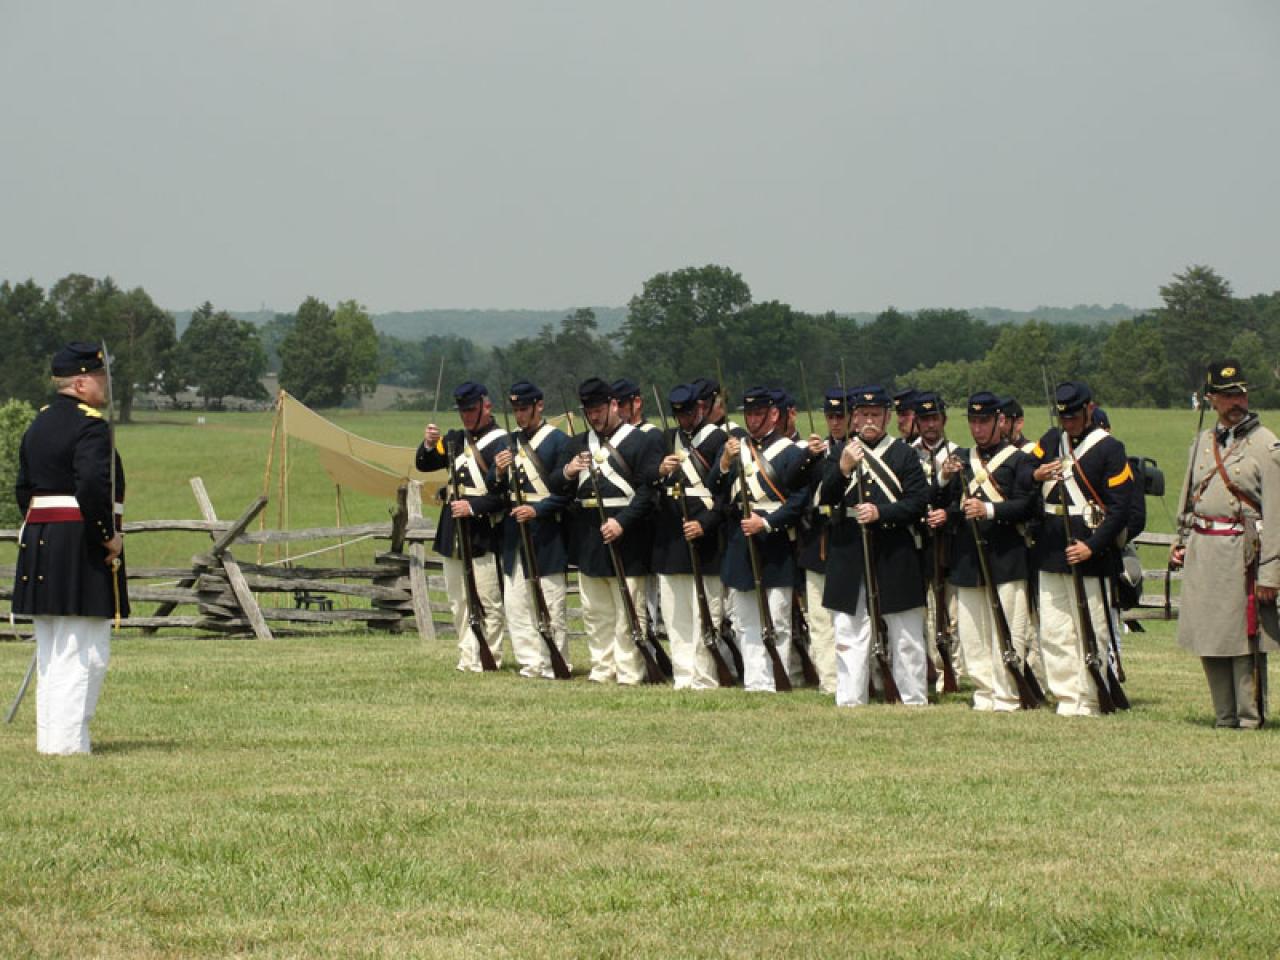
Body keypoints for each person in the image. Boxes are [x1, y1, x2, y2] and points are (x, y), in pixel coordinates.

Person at [12, 342, 128, 754]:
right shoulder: (90, 426)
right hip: (78, 544)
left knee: (52, 649)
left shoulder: (39, 424)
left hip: (41, 541)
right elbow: (93, 486)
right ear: (81, 382)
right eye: (99, 377)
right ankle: (67, 745)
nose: (105, 386)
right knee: (83, 651)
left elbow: (23, 490)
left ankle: (52, 740)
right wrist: (105, 536)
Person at [1171, 361, 1280, 729]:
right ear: (1212, 399)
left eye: (1241, 394)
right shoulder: (1202, 442)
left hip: (1242, 553)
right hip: (1204, 550)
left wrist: (1271, 573)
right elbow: (1189, 499)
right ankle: (1224, 716)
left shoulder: (1267, 445)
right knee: (1210, 635)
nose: (1237, 401)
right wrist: (1181, 541)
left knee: (1243, 641)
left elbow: (1278, 516)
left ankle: (1249, 719)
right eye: (1228, 395)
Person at [821, 385, 930, 706]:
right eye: (864, 414)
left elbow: (918, 502)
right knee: (849, 631)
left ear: (886, 417)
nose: (869, 421)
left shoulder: (904, 454)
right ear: (854, 418)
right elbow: (823, 499)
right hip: (849, 548)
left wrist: (882, 512)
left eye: (876, 415)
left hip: (893, 547)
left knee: (906, 631)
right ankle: (851, 699)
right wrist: (843, 468)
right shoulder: (840, 452)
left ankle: (913, 698)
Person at [1030, 380, 1133, 716]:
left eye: (1074, 416)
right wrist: (1036, 474)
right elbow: (1024, 474)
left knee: (1093, 628)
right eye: (1064, 417)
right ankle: (1065, 696)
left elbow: (1120, 510)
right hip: (1051, 546)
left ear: (1089, 409)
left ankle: (1091, 695)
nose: (1068, 423)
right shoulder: (1049, 441)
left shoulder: (1109, 449)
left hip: (1089, 549)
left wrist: (1092, 546)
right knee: (1055, 630)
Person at [552, 377, 661, 684]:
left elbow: (648, 491)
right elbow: (555, 484)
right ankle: (603, 667)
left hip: (628, 534)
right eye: (590, 411)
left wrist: (622, 522)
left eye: (599, 409)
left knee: (629, 610)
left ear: (615, 405)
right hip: (589, 535)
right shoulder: (578, 444)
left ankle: (629, 670)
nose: (595, 416)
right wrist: (568, 471)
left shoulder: (641, 441)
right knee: (595, 610)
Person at [935, 392, 1037, 710]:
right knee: (972, 632)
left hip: (1006, 557)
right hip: (968, 558)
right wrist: (945, 479)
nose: (977, 429)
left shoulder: (1019, 459)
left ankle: (1007, 693)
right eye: (973, 422)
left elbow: (1027, 505)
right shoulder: (962, 459)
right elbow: (951, 506)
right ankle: (983, 692)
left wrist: (989, 511)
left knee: (1008, 629)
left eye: (984, 422)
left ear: (1000, 422)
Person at [708, 386, 807, 692]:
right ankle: (755, 680)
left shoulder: (791, 453)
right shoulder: (737, 450)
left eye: (758, 414)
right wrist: (724, 462)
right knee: (746, 620)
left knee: (777, 618)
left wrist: (766, 522)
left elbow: (798, 500)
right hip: (741, 539)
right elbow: (716, 488)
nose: (752, 420)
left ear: (773, 415)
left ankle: (779, 677)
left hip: (774, 541)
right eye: (748, 414)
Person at [417, 381, 509, 671]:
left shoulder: (502, 442)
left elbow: (504, 494)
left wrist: (472, 506)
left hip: (483, 529)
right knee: (458, 601)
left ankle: (488, 656)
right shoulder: (456, 439)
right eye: (462, 411)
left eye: (471, 410)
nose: (466, 416)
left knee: (487, 599)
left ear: (486, 406)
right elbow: (425, 463)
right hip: (453, 530)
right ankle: (467, 656)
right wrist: (429, 444)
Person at [490, 381, 572, 678]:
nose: (519, 415)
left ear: (539, 406)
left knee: (550, 600)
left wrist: (537, 509)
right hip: (515, 533)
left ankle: (554, 661)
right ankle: (529, 662)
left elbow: (565, 493)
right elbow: (492, 486)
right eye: (515, 409)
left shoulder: (559, 441)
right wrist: (498, 471)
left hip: (546, 531)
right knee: (516, 603)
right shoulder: (507, 442)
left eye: (524, 408)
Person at [652, 382, 728, 689]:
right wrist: (659, 470)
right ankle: (683, 675)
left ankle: (705, 675)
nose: (684, 420)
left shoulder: (718, 439)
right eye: (679, 415)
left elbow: (725, 495)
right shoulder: (667, 439)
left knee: (706, 612)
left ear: (701, 409)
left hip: (704, 536)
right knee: (675, 613)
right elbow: (647, 479)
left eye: (689, 413)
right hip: (671, 537)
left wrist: (705, 524)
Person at [791, 385, 852, 694]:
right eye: (831, 416)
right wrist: (807, 457)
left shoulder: (859, 450)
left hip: (847, 538)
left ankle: (856, 678)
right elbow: (789, 481)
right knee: (819, 618)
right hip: (817, 540)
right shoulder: (817, 451)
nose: (835, 422)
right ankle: (829, 680)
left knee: (850, 619)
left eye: (840, 416)